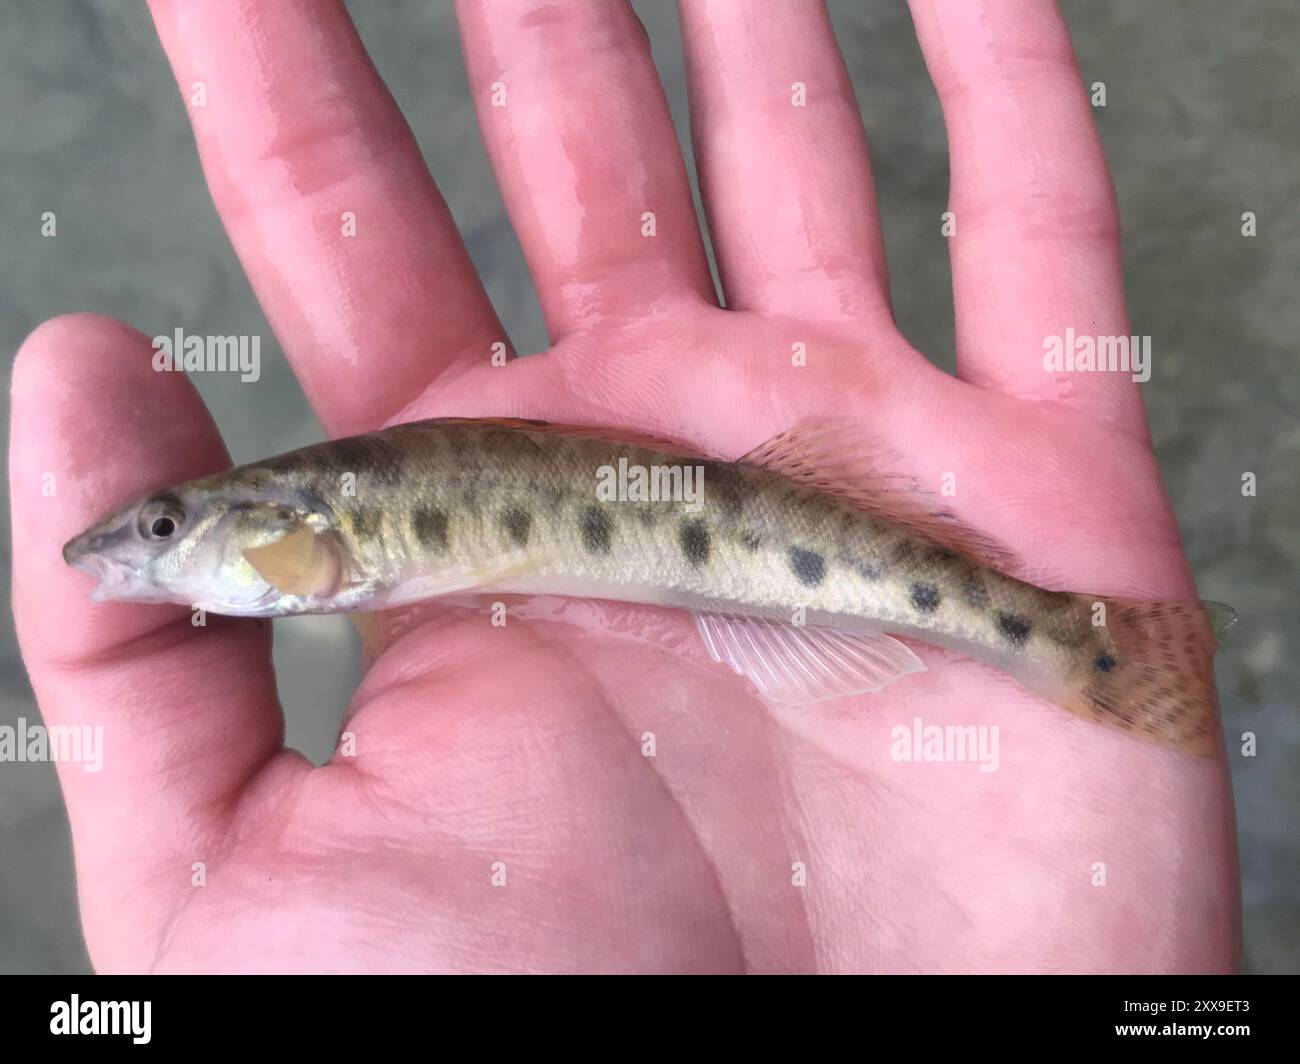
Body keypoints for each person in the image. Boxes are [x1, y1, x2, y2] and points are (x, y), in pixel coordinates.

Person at [10, 0, 1237, 973]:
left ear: (275, 522)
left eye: (166, 527)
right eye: (151, 532)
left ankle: (1078, 647)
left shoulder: (333, 531)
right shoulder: (330, 533)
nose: (129, 555)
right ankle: (1085, 648)